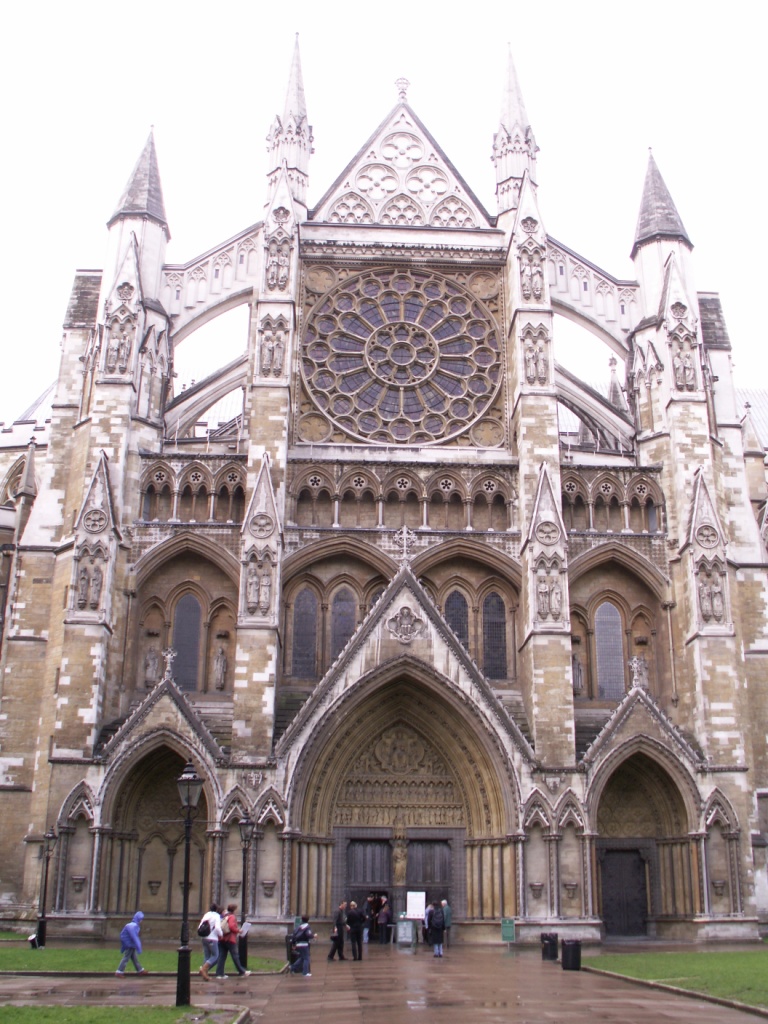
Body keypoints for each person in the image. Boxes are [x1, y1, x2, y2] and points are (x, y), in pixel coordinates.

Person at [215, 903, 252, 979]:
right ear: (234, 910)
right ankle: (242, 971)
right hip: (230, 939)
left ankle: (219, 973)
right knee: (235, 956)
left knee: (222, 956)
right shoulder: (232, 917)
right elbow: (231, 927)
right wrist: (238, 931)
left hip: (222, 939)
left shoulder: (225, 916)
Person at [115, 911, 147, 975]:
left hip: (130, 944)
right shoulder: (133, 926)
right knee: (126, 957)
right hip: (129, 944)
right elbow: (134, 937)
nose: (141, 921)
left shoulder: (132, 925)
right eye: (141, 919)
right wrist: (138, 947)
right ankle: (119, 971)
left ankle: (140, 970)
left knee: (134, 958)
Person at [198, 902, 222, 981]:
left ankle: (205, 975)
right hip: (212, 938)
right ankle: (204, 969)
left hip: (204, 937)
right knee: (216, 955)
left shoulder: (206, 915)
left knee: (207, 956)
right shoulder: (216, 916)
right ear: (216, 909)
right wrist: (221, 934)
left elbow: (200, 925)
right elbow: (218, 928)